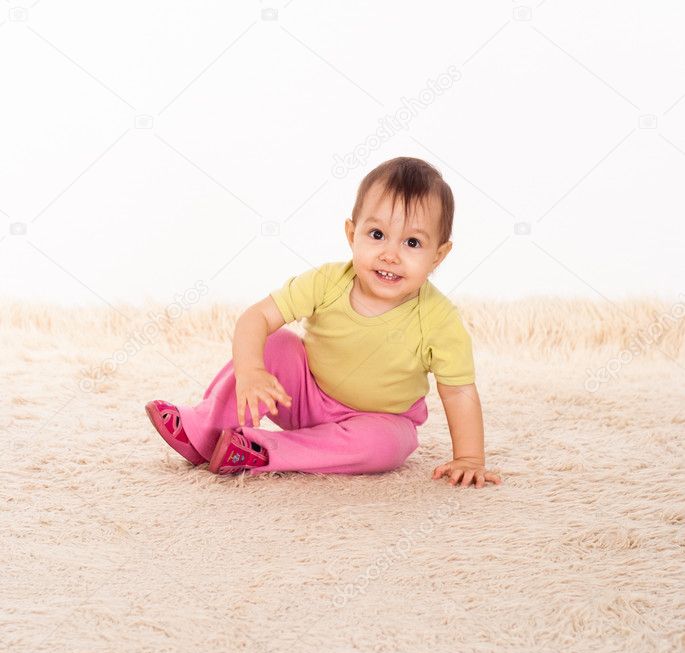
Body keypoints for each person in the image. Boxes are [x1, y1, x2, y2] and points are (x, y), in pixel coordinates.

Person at [145, 156, 502, 488]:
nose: (390, 255)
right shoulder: (329, 282)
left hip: (376, 419)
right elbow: (256, 317)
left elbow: (458, 391)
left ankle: (260, 449)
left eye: (412, 242)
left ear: (438, 255)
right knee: (276, 343)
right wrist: (252, 370)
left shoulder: (440, 321)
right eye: (377, 235)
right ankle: (205, 431)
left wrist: (470, 457)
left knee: (391, 445)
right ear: (352, 234)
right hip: (304, 396)